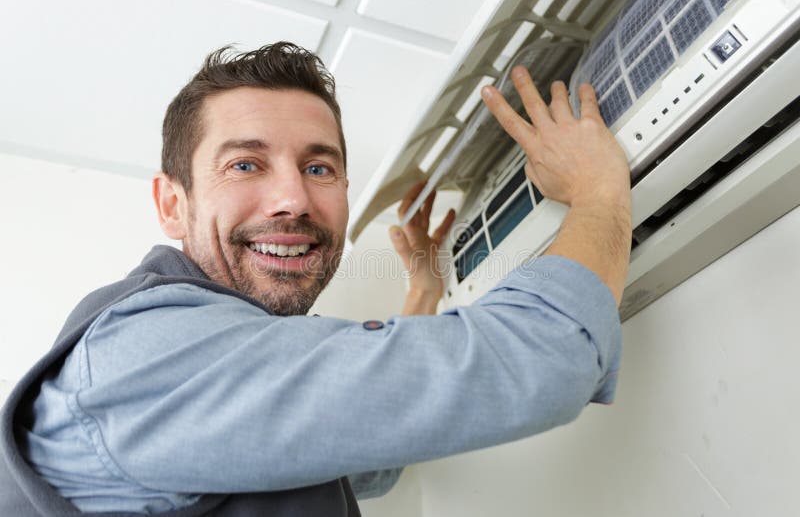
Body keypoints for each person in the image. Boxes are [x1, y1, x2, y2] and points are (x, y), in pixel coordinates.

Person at [0, 42, 631, 516]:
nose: (293, 200)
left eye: (320, 168)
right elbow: (546, 357)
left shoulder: (222, 379)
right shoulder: (148, 354)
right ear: (172, 205)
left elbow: (368, 468)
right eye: (246, 164)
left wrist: (423, 291)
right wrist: (599, 192)